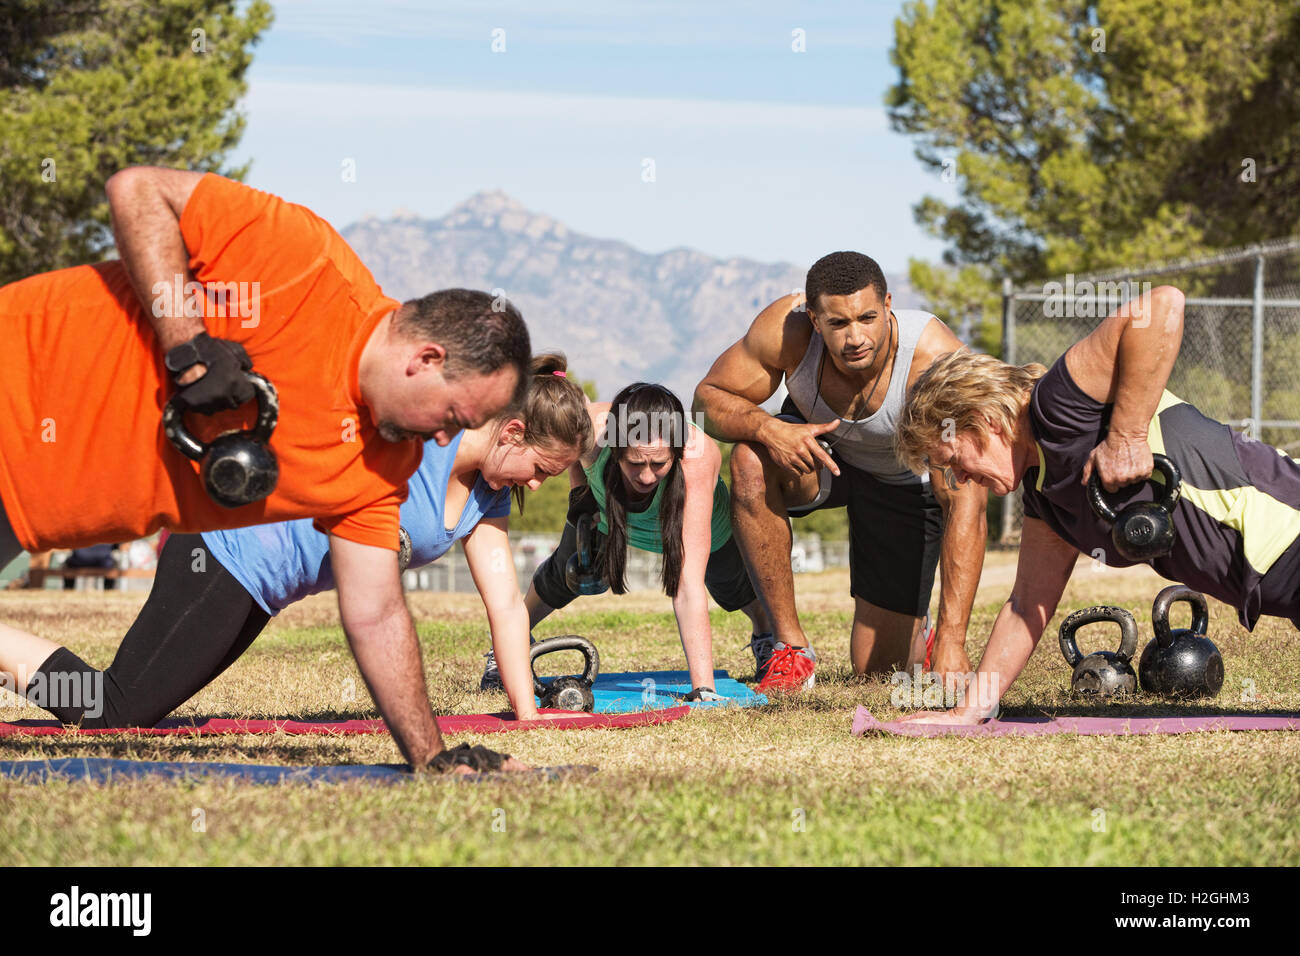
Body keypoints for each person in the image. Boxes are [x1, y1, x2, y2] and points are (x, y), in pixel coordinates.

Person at [0, 166, 531, 772]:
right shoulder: (306, 263)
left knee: (116, 707)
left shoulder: (386, 460)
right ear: (425, 359)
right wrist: (188, 349)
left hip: (26, 504)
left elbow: (376, 610)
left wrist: (431, 757)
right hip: (15, 380)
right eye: (453, 415)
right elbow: (139, 190)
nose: (444, 437)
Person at [18, 356, 593, 732]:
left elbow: (506, 607)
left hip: (264, 591)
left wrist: (527, 715)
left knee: (134, 709)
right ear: (513, 432)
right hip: (223, 552)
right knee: (114, 710)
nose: (537, 485)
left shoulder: (485, 498)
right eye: (540, 468)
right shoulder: (418, 432)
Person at [893, 285, 1300, 723]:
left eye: (954, 461)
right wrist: (969, 712)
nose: (962, 479)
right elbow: (1025, 605)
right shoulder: (1045, 495)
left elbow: (1161, 304)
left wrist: (1126, 435)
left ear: (986, 420)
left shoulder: (1059, 405)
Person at [694, 251, 988, 692]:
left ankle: (921, 630)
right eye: (837, 324)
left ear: (888, 304)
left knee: (878, 672)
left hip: (903, 482)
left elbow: (967, 499)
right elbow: (707, 400)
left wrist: (953, 638)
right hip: (820, 454)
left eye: (868, 318)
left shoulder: (933, 361)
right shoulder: (786, 331)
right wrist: (768, 427)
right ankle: (790, 650)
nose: (855, 338)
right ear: (814, 319)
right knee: (750, 458)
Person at [482, 383, 770, 698]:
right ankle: (509, 646)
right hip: (611, 516)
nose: (646, 477)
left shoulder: (697, 458)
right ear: (617, 450)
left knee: (737, 591)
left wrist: (703, 688)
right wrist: (580, 494)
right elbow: (567, 422)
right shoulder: (594, 431)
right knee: (565, 572)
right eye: (635, 463)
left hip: (701, 530)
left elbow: (687, 586)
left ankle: (766, 635)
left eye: (659, 464)